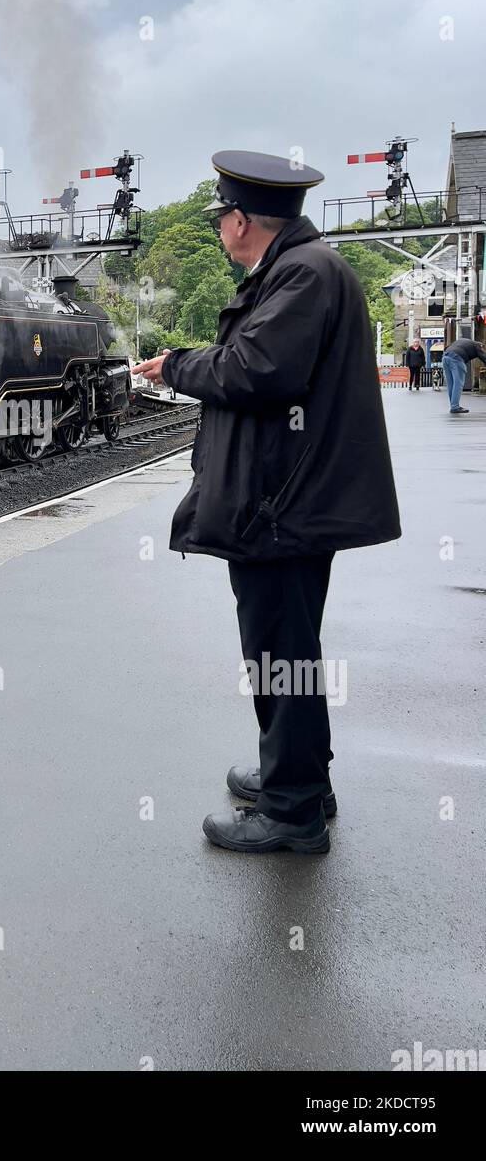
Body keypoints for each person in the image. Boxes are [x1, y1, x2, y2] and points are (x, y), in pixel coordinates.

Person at [132, 150, 400, 855]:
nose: (219, 228)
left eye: (220, 216)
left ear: (241, 220)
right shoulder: (301, 269)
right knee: (286, 651)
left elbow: (258, 370)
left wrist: (178, 364)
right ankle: (299, 777)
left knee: (280, 652)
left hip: (283, 504)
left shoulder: (301, 274)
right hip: (290, 498)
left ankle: (291, 811)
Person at [441, 335, 486, 415]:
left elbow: (448, 347)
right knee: (458, 384)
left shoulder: (462, 341)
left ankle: (453, 405)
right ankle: (455, 407)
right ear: (481, 345)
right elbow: (484, 357)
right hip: (456, 359)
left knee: (451, 384)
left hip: (445, 357)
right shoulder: (477, 346)